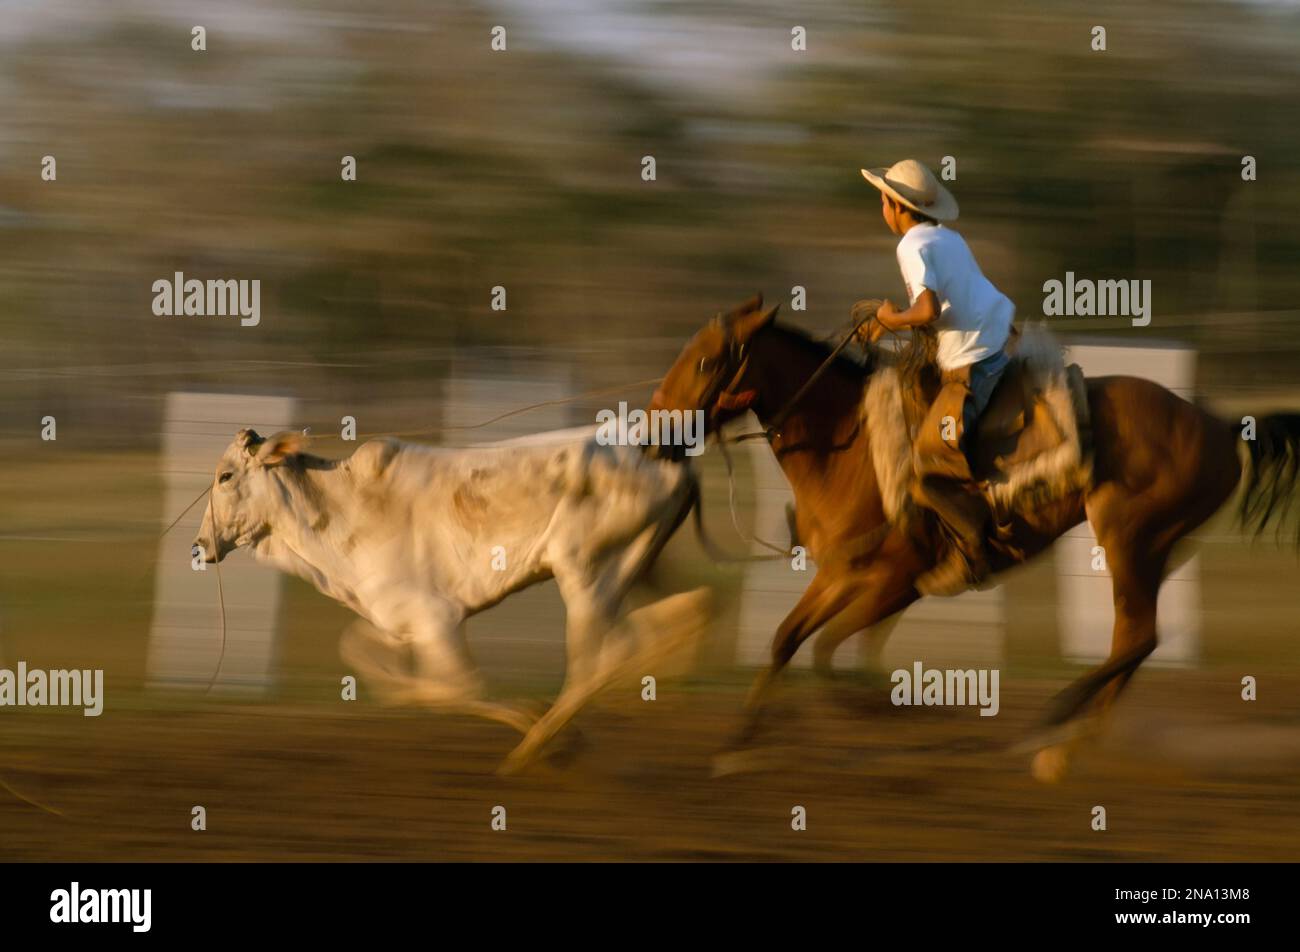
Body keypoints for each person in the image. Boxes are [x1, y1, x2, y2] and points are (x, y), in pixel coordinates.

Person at [854, 159, 1015, 596]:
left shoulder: (911, 246)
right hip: (995, 337)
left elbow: (925, 312)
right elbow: (945, 307)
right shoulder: (948, 237)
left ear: (894, 205)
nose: (882, 209)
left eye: (883, 202)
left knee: (927, 464)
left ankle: (973, 556)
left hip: (973, 360)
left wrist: (888, 320)